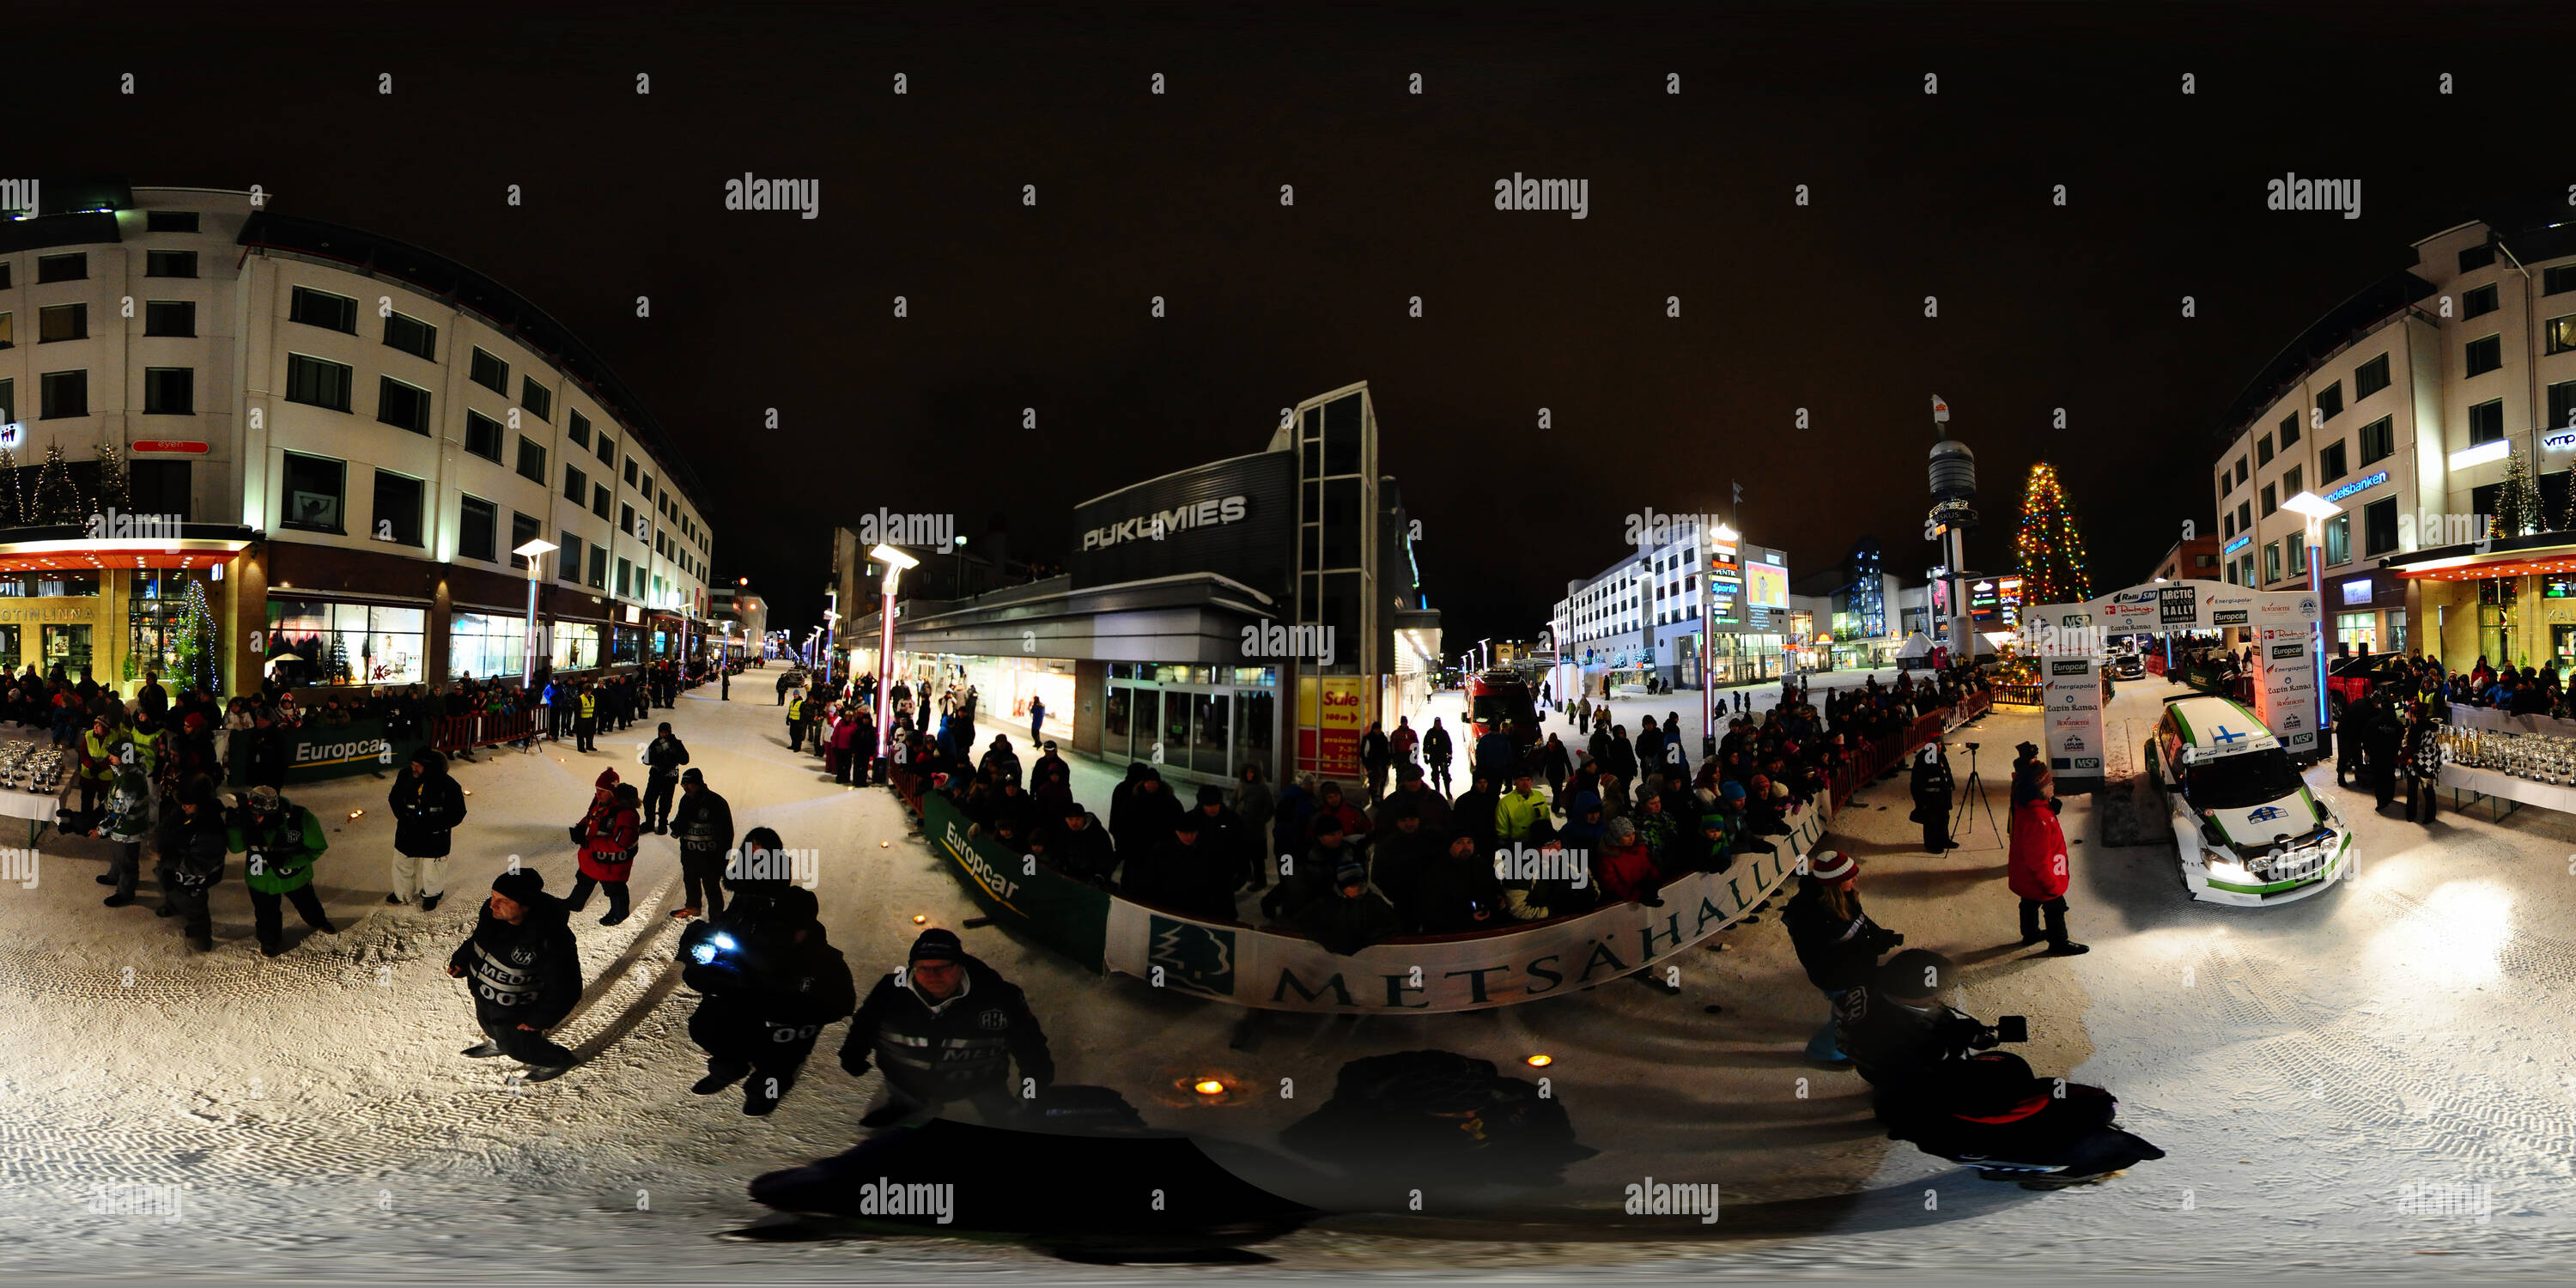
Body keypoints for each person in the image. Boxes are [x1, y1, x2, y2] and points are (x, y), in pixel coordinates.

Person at [839, 928, 1054, 1127]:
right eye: (923, 968)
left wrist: (1031, 1093)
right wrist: (853, 1056)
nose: (933, 976)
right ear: (913, 968)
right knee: (898, 1120)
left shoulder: (1000, 996)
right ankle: (903, 1109)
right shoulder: (890, 991)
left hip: (982, 1086)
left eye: (943, 967)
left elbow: (1031, 1049)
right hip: (904, 1083)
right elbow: (864, 1024)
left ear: (960, 966)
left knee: (1009, 1121)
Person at [681, 884, 857, 1115]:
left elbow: (843, 1005)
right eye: (779, 924)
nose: (783, 933)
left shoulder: (826, 960)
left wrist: (799, 1003)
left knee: (774, 1077)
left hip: (787, 1033)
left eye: (793, 927)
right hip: (750, 1020)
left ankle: (763, 1096)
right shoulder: (750, 943)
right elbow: (698, 976)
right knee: (705, 1026)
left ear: (807, 928)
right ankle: (728, 1070)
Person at [446, 869, 580, 1082]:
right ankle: (497, 1042)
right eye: (493, 897)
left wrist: (541, 1019)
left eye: (503, 900)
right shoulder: (492, 915)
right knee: (487, 1024)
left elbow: (567, 986)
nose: (492, 905)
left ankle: (558, 1060)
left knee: (519, 1047)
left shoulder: (551, 938)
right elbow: (477, 940)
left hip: (519, 1010)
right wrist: (461, 960)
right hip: (486, 996)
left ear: (525, 904)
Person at [1783, 850, 1902, 1066]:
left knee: (1848, 1006)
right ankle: (1824, 1051)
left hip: (1852, 969)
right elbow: (1839, 948)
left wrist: (1880, 935)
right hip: (1837, 975)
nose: (1856, 879)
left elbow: (1860, 921)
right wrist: (1875, 946)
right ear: (1834, 883)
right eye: (1850, 877)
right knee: (1848, 1013)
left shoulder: (1842, 896)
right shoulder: (1817, 915)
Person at [231, 784, 337, 957]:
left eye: (258, 815)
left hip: (295, 877)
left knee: (308, 903)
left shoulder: (300, 819)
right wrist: (234, 827)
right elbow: (236, 848)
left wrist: (287, 861)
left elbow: (317, 848)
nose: (254, 819)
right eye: (252, 814)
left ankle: (319, 921)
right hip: (261, 880)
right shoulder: (247, 820)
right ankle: (269, 941)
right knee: (266, 914)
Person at [2008, 761, 2087, 956]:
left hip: (2026, 874)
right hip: (2042, 875)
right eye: (2048, 784)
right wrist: (2051, 885)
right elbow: (2038, 859)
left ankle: (2031, 933)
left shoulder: (2030, 806)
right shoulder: (2038, 818)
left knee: (2029, 901)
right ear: (2038, 789)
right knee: (2055, 906)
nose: (2053, 786)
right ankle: (2059, 943)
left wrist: (2049, 806)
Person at [387, 748, 466, 912]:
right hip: (407, 832)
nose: (414, 769)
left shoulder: (448, 785)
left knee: (434, 868)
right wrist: (403, 816)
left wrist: (439, 825)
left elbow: (458, 812)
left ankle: (432, 895)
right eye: (412, 765)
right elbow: (394, 798)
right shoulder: (405, 776)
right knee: (402, 863)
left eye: (418, 766)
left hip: (435, 836)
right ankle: (402, 893)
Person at [154, 779, 228, 952]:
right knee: (171, 890)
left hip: (193, 880)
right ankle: (173, 905)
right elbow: (166, 827)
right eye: (182, 803)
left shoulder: (211, 829)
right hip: (173, 870)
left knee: (197, 909)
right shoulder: (182, 812)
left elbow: (200, 866)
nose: (184, 807)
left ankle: (201, 937)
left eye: (188, 804)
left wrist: (166, 858)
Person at [568, 772, 642, 926]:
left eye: (602, 791)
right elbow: (591, 816)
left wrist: (590, 844)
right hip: (592, 860)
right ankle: (575, 903)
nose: (598, 794)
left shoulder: (625, 814)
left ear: (612, 793)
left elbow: (620, 843)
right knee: (583, 880)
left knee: (615, 890)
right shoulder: (602, 804)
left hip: (611, 865)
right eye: (596, 790)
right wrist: (581, 827)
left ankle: (619, 914)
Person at [1292, 859, 1401, 956]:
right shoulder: (1326, 904)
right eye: (1353, 886)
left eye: (1361, 884)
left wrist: (1372, 943)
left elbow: (1393, 927)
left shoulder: (1374, 902)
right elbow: (1303, 923)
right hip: (1334, 961)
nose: (1359, 889)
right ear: (1342, 886)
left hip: (1368, 959)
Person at [670, 768, 736, 919]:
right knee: (690, 881)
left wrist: (722, 859)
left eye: (690, 784)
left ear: (699, 784)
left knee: (711, 887)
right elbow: (681, 820)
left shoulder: (716, 802)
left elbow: (726, 834)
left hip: (710, 857)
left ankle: (716, 917)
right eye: (683, 785)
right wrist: (677, 826)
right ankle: (693, 907)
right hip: (690, 854)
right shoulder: (685, 800)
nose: (686, 788)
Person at [91, 767, 155, 907]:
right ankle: (114, 876)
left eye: (113, 756)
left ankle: (126, 893)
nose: (110, 758)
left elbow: (118, 812)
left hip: (128, 831)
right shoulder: (126, 775)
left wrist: (101, 830)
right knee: (118, 855)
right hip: (121, 831)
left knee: (127, 861)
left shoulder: (129, 784)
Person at [642, 721, 689, 834]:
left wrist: (674, 754)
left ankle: (662, 823)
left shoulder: (676, 743)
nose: (663, 734)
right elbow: (645, 759)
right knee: (648, 800)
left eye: (665, 732)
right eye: (661, 732)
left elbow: (685, 759)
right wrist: (654, 757)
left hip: (669, 778)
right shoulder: (656, 743)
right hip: (656, 777)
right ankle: (649, 822)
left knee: (665, 802)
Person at [1911, 744, 1957, 852]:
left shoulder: (1940, 755)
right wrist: (1920, 801)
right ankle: (1931, 844)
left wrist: (1950, 784)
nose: (1939, 747)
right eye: (1936, 745)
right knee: (1931, 820)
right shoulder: (1923, 759)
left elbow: (1946, 770)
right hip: (1930, 797)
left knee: (1944, 818)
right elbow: (1916, 782)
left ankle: (1944, 839)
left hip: (1942, 794)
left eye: (1940, 744)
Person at [1359, 720, 1392, 805]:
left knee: (1382, 783)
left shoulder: (1383, 738)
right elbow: (1364, 753)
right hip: (1373, 766)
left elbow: (1387, 752)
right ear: (1373, 729)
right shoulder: (1368, 738)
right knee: (1374, 784)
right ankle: (1374, 800)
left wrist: (1388, 762)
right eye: (1376, 729)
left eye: (1379, 729)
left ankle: (1380, 798)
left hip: (1382, 765)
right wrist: (1368, 765)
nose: (1378, 731)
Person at [1423, 716, 1454, 795]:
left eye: (1439, 723)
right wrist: (1425, 756)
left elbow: (1449, 745)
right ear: (1434, 724)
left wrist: (1449, 757)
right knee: (1435, 775)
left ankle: (1448, 792)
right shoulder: (1430, 733)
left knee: (1445, 775)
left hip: (1443, 758)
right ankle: (1437, 792)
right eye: (1436, 723)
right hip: (1433, 758)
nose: (1438, 725)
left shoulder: (1444, 733)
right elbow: (1425, 745)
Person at [574, 683, 599, 753]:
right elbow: (577, 712)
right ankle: (581, 747)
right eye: (586, 691)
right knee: (581, 734)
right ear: (584, 691)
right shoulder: (580, 699)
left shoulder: (593, 698)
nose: (588, 692)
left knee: (590, 733)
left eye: (589, 691)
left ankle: (589, 746)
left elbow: (594, 709)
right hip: (582, 720)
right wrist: (577, 722)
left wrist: (594, 719)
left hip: (590, 719)